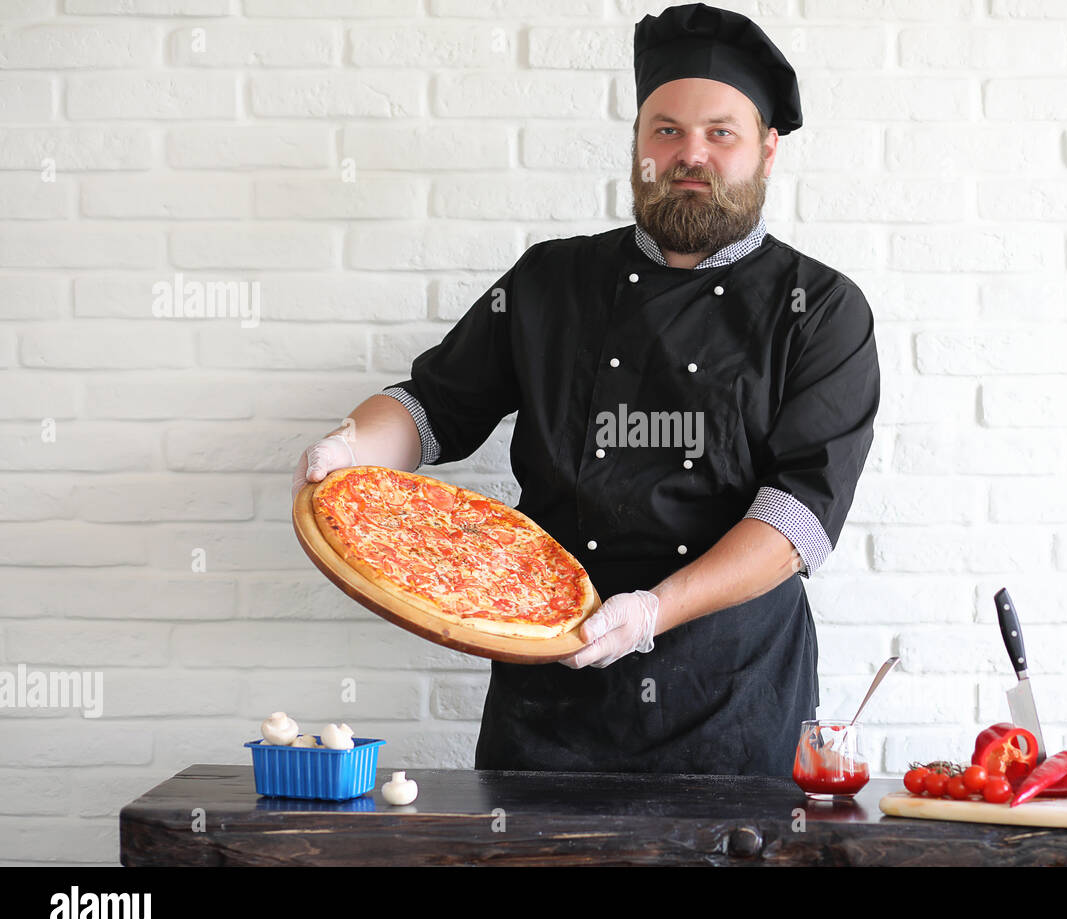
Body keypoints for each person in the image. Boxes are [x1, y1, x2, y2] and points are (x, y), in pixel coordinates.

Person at [291, 2, 880, 776]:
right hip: (549, 683)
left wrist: (651, 613)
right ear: (638, 141)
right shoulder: (550, 280)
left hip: (729, 690)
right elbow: (432, 406)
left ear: (767, 152)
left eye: (720, 133)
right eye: (665, 129)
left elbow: (800, 515)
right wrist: (353, 446)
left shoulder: (821, 307)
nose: (688, 155)